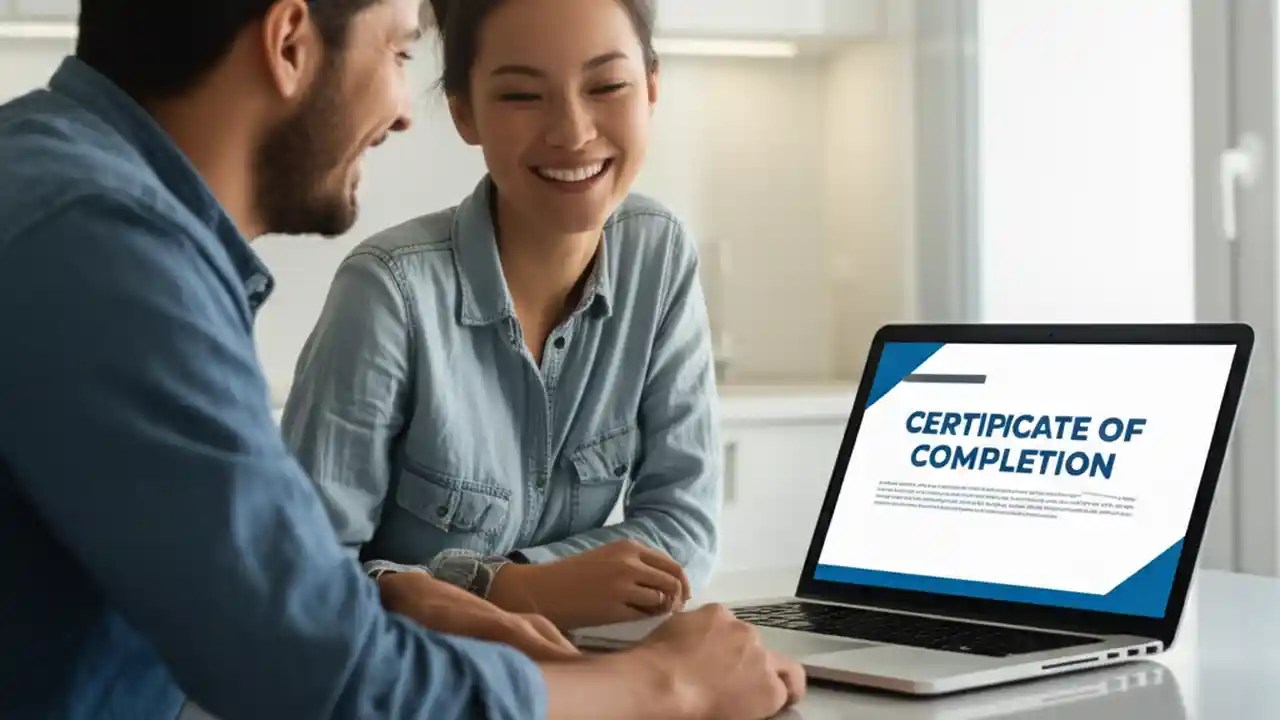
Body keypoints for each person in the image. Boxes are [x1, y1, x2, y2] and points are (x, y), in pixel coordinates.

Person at [0, 1, 806, 719]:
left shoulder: (65, 190)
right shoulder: (101, 245)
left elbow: (278, 608)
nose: (401, 113)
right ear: (290, 43)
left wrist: (411, 595)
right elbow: (312, 670)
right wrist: (665, 688)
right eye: (396, 52)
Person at [283, 0, 721, 632]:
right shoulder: (389, 291)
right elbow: (302, 580)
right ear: (465, 112)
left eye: (607, 86)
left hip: (575, 670)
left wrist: (510, 584)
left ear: (652, 88)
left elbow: (685, 527)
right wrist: (515, 589)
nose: (572, 132)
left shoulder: (659, 252)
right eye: (521, 95)